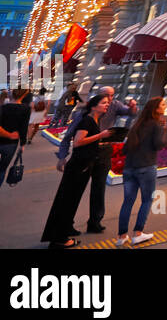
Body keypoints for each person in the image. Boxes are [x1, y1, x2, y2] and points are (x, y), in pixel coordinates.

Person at [56, 86, 136, 233]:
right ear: (96, 99)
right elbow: (71, 137)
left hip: (104, 151)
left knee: (99, 188)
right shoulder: (84, 117)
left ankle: (95, 221)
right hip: (87, 154)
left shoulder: (115, 105)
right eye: (105, 98)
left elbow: (130, 113)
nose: (109, 101)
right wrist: (62, 156)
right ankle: (67, 224)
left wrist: (133, 107)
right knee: (76, 190)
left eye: (111, 96)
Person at [42, 95, 109, 249]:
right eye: (104, 103)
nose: (107, 105)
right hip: (79, 166)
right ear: (93, 106)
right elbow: (78, 142)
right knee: (67, 201)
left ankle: (63, 231)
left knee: (71, 201)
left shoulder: (93, 119)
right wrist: (101, 135)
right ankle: (59, 238)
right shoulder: (88, 120)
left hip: (84, 165)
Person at [117, 97, 167, 247]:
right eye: (163, 105)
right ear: (156, 109)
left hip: (129, 167)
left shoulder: (137, 124)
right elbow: (159, 144)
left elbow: (126, 148)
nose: (166, 106)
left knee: (128, 201)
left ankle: (121, 236)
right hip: (146, 166)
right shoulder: (158, 124)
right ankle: (138, 234)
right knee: (147, 200)